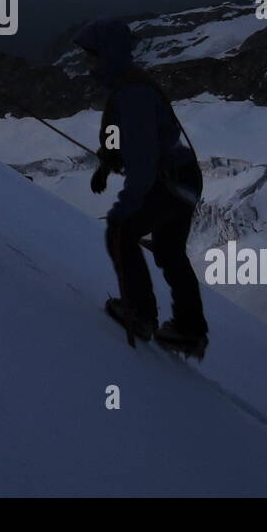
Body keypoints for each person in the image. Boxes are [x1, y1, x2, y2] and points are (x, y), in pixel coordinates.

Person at [72, 18, 208, 358]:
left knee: (120, 232)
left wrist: (129, 202)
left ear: (106, 55)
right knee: (170, 251)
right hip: (183, 177)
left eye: (91, 55)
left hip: (169, 181)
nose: (87, 61)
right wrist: (106, 166)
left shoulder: (131, 93)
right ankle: (189, 331)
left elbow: (143, 156)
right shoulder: (130, 85)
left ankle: (140, 314)